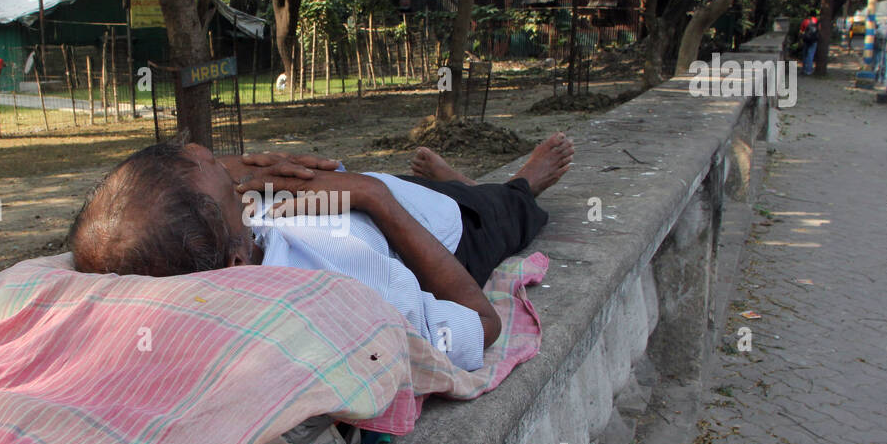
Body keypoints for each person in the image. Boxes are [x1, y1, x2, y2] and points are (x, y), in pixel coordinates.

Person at [67, 134, 573, 371]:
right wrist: (380, 203)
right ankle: (517, 182)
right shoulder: (341, 287)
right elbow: (480, 326)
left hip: (362, 195)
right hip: (444, 234)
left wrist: (258, 172)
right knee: (506, 210)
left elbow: (172, 201)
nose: (246, 178)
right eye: (233, 182)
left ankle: (460, 184)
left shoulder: (210, 246)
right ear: (237, 262)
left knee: (436, 191)